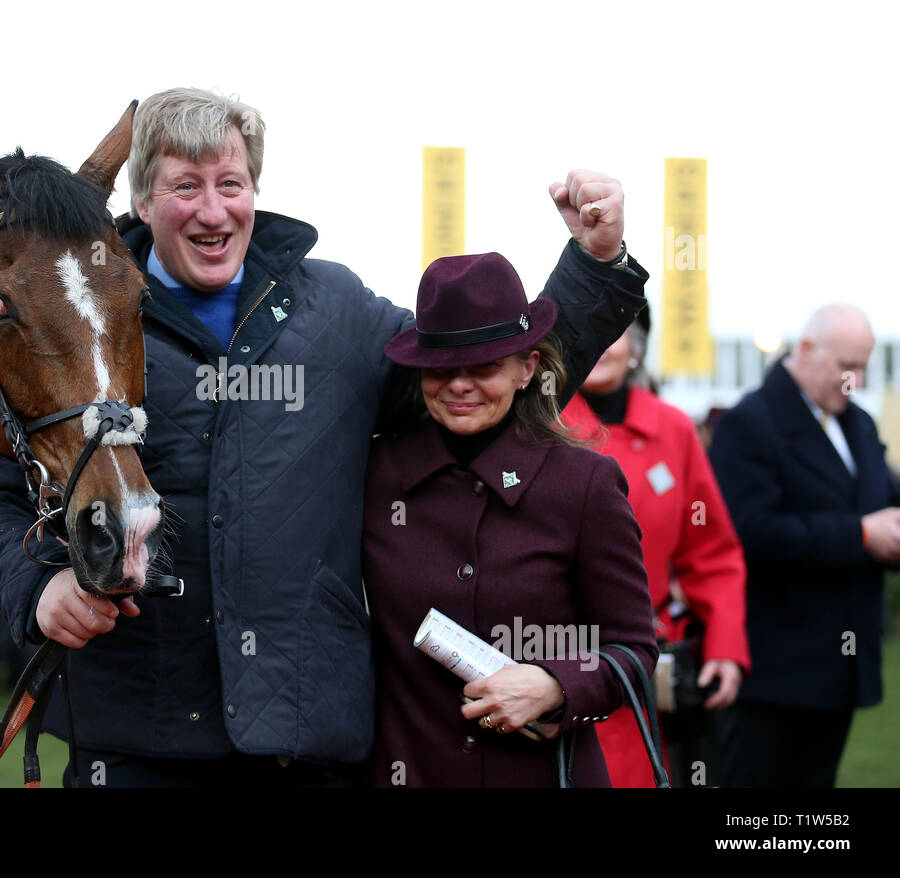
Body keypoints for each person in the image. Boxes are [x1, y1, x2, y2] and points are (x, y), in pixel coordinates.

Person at [0, 87, 650, 787]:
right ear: (141, 203)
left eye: (231, 183)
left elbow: (486, 372)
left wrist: (595, 262)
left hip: (309, 746)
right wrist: (36, 589)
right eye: (184, 186)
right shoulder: (83, 327)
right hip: (136, 743)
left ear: (256, 191)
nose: (212, 209)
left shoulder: (339, 311)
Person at [362, 252, 657, 788]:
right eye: (442, 367)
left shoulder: (585, 484)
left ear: (528, 368)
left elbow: (634, 651)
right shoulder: (374, 476)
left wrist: (556, 685)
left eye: (483, 368)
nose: (459, 386)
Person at [708, 303, 900, 787]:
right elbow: (748, 532)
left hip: (841, 672)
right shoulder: (748, 423)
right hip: (773, 674)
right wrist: (860, 535)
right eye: (845, 366)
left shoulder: (858, 424)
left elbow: (885, 499)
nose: (854, 379)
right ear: (807, 349)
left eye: (862, 367)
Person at [561, 307, 749, 787]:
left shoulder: (675, 431)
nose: (601, 345)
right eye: (590, 331)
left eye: (615, 334)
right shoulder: (543, 426)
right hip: (560, 664)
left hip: (648, 669)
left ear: (637, 347)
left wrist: (724, 646)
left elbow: (712, 553)